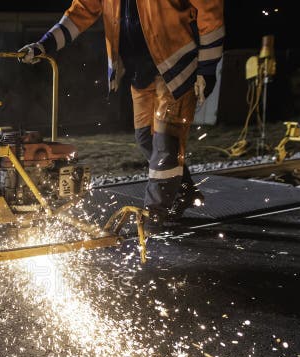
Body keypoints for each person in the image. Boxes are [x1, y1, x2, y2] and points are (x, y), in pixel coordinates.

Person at [20, 0, 224, 223]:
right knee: (146, 138)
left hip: (177, 69)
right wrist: (44, 45)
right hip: (140, 74)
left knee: (166, 143)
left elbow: (210, 11)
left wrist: (207, 67)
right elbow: (81, 11)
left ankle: (155, 213)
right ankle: (184, 191)